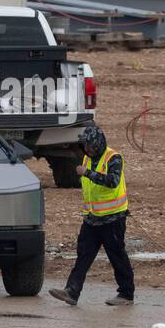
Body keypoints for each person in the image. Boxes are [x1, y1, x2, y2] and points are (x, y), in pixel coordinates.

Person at [48, 125, 134, 306]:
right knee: (84, 255)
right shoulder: (87, 158)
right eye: (86, 147)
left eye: (91, 147)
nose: (88, 150)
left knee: (117, 255)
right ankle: (71, 291)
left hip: (113, 218)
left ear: (99, 144)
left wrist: (88, 173)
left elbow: (112, 181)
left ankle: (126, 294)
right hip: (92, 218)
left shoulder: (113, 158)